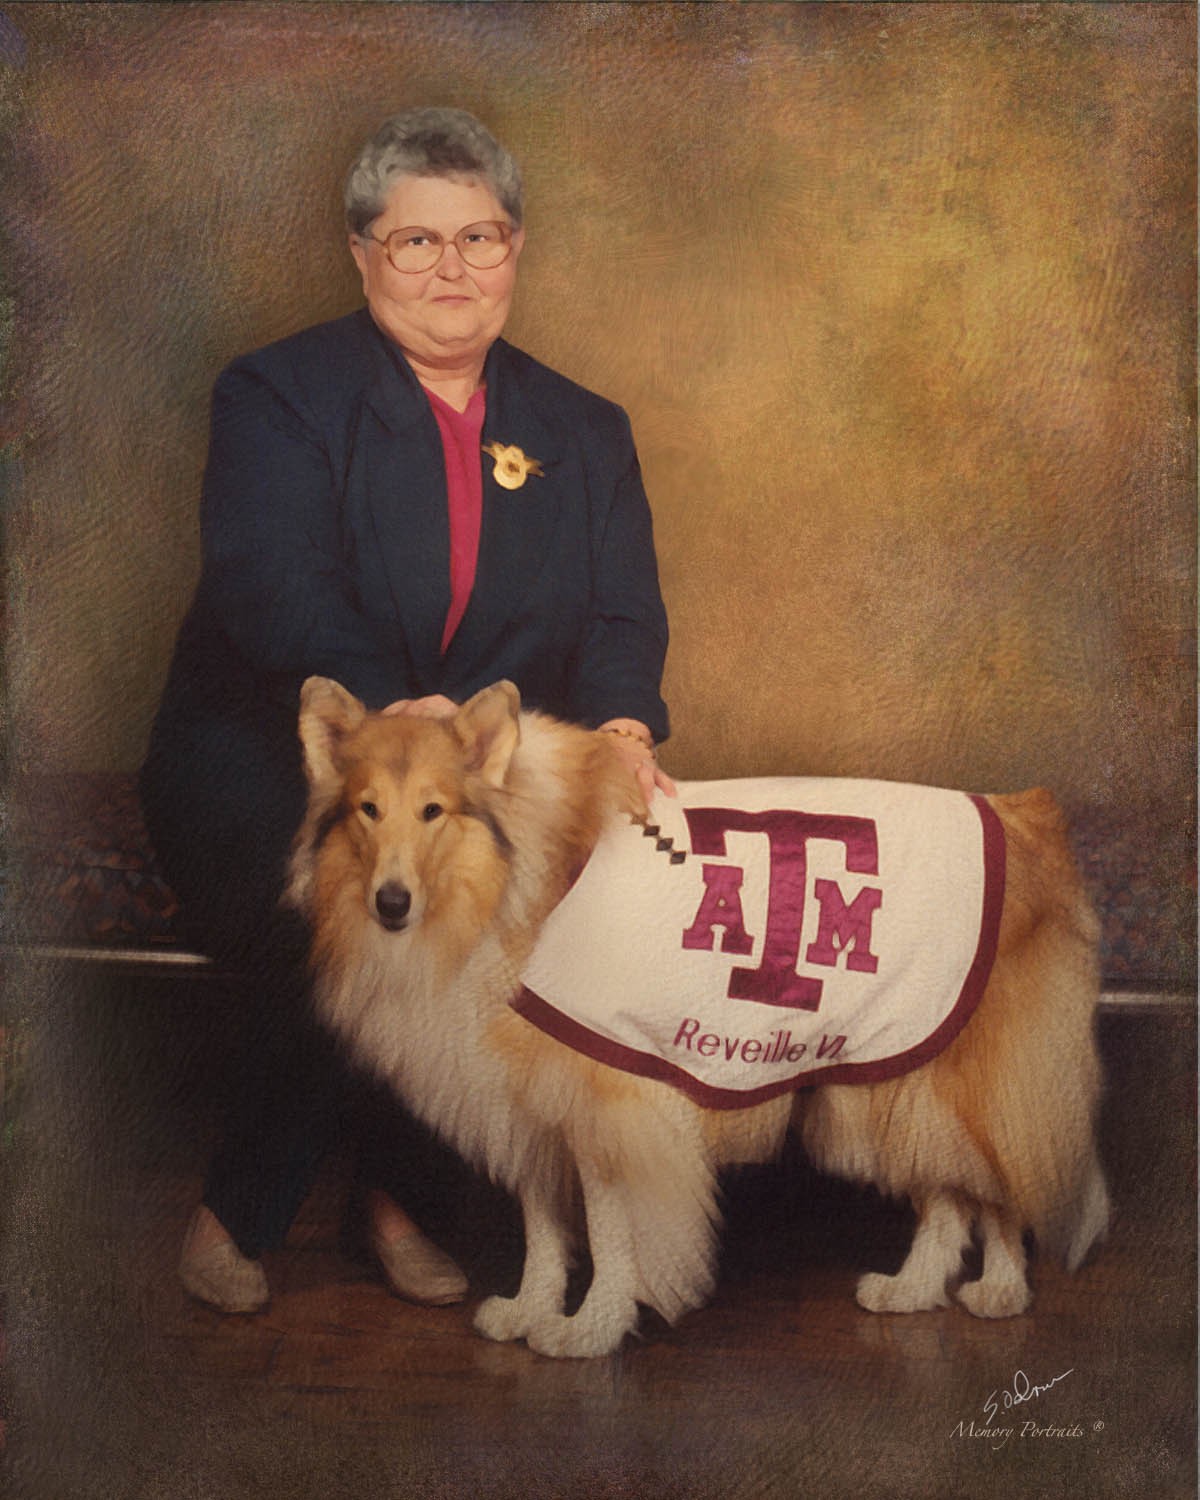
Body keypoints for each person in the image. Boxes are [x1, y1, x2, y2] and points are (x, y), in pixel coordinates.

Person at [139, 106, 673, 1314]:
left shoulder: (586, 432)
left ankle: (403, 1201)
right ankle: (245, 1208)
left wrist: (628, 728)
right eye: (416, 242)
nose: (452, 270)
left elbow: (624, 620)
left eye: (479, 239)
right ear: (361, 252)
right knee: (349, 906)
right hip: (272, 755)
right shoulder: (278, 395)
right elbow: (271, 589)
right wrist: (396, 706)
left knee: (491, 897)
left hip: (472, 779)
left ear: (517, 249)